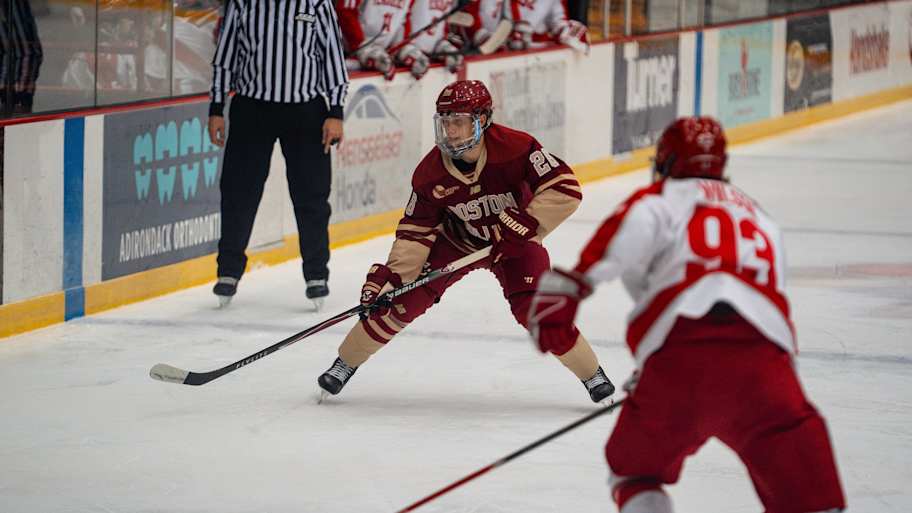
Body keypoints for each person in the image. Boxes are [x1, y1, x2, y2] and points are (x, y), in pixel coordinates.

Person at [528, 117, 846, 513]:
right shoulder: (759, 216)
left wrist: (557, 318)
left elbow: (588, 271)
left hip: (679, 370)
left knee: (634, 474)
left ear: (667, 160)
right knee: (809, 498)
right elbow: (765, 310)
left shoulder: (655, 202)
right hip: (767, 375)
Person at [316, 79, 616, 404]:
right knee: (400, 302)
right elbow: (415, 232)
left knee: (538, 310)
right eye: (445, 121)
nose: (452, 131)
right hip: (457, 241)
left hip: (514, 243)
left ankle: (592, 374)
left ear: (483, 119)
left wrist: (527, 222)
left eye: (459, 121)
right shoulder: (429, 174)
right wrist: (391, 278)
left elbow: (565, 188)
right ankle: (345, 362)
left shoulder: (517, 148)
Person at [208, 0, 349, 309]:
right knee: (237, 193)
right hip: (251, 108)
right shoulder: (243, 3)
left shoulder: (316, 3)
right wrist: (216, 108)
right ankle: (228, 271)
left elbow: (332, 57)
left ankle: (316, 275)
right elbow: (225, 57)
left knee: (311, 196)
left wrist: (336, 111)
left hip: (306, 111)